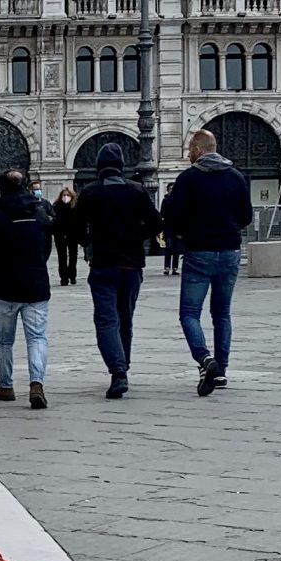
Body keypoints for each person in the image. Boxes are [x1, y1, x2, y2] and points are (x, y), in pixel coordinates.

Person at [161, 129, 255, 396]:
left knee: (189, 313)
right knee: (221, 314)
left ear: (199, 150)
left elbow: (174, 216)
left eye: (190, 148)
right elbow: (246, 216)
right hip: (229, 251)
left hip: (199, 251)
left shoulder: (189, 179)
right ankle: (221, 371)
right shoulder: (236, 177)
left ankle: (205, 360)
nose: (188, 153)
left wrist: (184, 230)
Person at [72, 144, 163, 398]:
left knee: (106, 320)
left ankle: (118, 370)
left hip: (103, 264)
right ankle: (124, 364)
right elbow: (157, 222)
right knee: (126, 318)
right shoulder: (136, 191)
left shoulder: (90, 193)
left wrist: (89, 242)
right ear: (122, 166)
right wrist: (137, 237)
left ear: (99, 167)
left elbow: (76, 228)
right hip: (132, 264)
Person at [0, 167, 53, 408]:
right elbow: (48, 242)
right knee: (37, 337)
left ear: (0, 189)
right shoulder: (39, 213)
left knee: (4, 340)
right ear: (26, 186)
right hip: (36, 285)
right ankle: (36, 384)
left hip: (5, 285)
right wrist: (38, 264)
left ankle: (6, 386)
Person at [51, 187, 81, 286]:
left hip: (73, 234)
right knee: (62, 256)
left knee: (73, 255)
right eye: (64, 195)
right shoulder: (56, 206)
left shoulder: (76, 207)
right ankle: (63, 278)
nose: (66, 197)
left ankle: (72, 276)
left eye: (68, 195)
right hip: (60, 234)